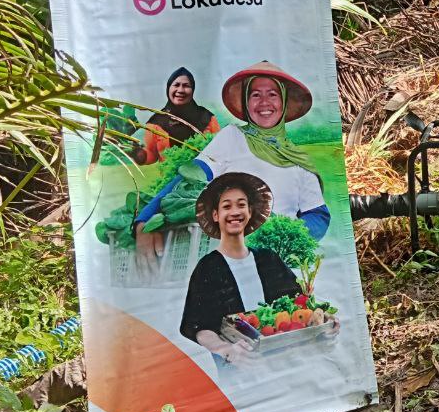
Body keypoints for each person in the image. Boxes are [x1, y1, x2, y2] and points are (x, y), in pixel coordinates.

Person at [135, 61, 331, 269]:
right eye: (255, 95)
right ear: (247, 103)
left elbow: (317, 215)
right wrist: (143, 221)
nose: (264, 102)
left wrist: (284, 237)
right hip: (229, 259)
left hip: (278, 265)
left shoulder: (298, 159)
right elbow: (189, 179)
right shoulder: (232, 137)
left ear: (283, 102)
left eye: (272, 94)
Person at [180, 172, 302, 365]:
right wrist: (226, 350)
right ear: (215, 215)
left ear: (250, 211)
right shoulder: (208, 268)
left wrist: (322, 319)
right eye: (227, 206)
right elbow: (199, 327)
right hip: (241, 370)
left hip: (285, 361)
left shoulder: (268, 259)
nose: (235, 212)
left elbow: (298, 304)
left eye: (241, 204)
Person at [135, 67, 220, 166]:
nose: (180, 90)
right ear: (168, 88)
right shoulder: (155, 123)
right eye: (176, 85)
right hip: (173, 179)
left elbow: (218, 147)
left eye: (186, 86)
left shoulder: (207, 117)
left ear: (193, 90)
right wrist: (137, 154)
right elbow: (151, 154)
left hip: (205, 177)